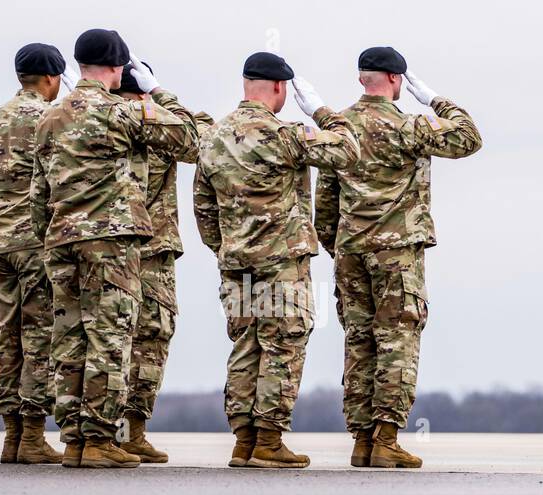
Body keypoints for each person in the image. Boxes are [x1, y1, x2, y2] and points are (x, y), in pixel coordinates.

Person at [31, 29, 197, 468]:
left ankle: (73, 440)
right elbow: (193, 139)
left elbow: (37, 192)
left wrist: (48, 234)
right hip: (110, 243)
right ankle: (101, 438)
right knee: (110, 338)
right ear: (120, 67)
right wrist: (157, 94)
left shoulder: (51, 115)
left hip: (61, 240)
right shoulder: (121, 112)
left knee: (69, 339)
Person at [314, 47, 481, 469]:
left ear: (361, 79)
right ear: (397, 80)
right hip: (397, 252)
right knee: (397, 339)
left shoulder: (340, 127)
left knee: (359, 340)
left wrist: (342, 246)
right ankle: (385, 438)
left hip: (350, 251)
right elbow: (469, 137)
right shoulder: (410, 126)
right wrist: (437, 100)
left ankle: (361, 439)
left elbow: (325, 207)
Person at [194, 52, 360, 469]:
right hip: (282, 261)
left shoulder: (214, 136)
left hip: (236, 262)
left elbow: (202, 205)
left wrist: (225, 246)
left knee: (246, 346)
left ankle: (243, 441)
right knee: (283, 345)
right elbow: (348, 150)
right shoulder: (283, 134)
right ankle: (269, 441)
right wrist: (322, 111)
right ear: (280, 89)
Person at [0, 43, 71, 465]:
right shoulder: (51, 119)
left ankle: (11, 436)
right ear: (51, 78)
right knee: (40, 338)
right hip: (35, 244)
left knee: (6, 339)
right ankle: (31, 435)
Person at [112, 60, 214, 464]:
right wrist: (162, 95)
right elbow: (203, 137)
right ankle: (128, 431)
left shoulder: (92, 118)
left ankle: (104, 432)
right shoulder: (155, 122)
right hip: (151, 247)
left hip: (100, 247)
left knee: (104, 336)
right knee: (150, 339)